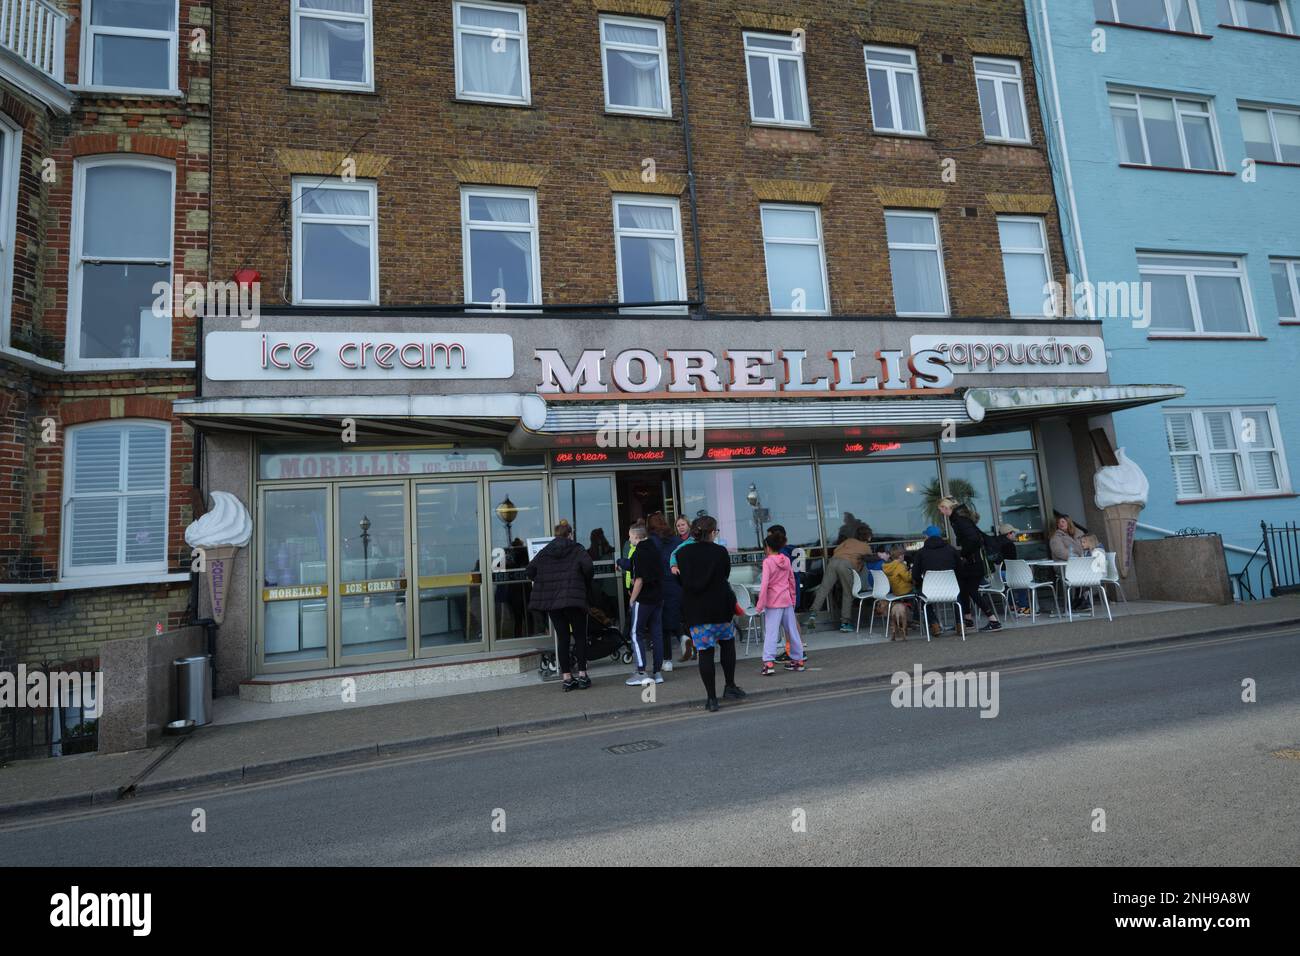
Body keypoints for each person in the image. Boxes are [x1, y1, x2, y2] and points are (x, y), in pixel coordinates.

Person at [675, 515, 747, 712]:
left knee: (705, 653)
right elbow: (725, 575)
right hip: (720, 608)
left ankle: (711, 698)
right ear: (712, 532)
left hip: (696, 611)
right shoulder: (720, 552)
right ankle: (730, 686)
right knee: (727, 646)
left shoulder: (682, 553)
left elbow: (682, 582)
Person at [526, 520, 595, 691]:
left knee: (563, 638)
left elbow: (529, 571)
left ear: (556, 535)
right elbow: (589, 568)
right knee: (579, 637)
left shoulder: (545, 551)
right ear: (570, 534)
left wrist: (545, 582)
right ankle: (582, 675)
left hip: (553, 603)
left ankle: (566, 678)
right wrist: (582, 582)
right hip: (574, 600)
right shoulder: (577, 549)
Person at [936, 497, 1002, 632]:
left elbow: (974, 540)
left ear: (947, 507)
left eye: (941, 508)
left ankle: (993, 620)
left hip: (975, 561)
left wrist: (963, 554)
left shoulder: (960, 520)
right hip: (973, 560)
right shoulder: (957, 519)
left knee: (971, 590)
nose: (941, 512)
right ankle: (967, 620)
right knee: (964, 589)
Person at [807, 524, 875, 633]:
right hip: (845, 565)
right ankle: (845, 623)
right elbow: (869, 559)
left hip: (833, 562)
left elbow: (836, 550)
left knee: (824, 588)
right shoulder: (866, 547)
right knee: (847, 593)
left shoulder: (848, 541)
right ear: (868, 537)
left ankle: (813, 615)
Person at [755, 532, 805, 676]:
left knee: (771, 632)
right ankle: (798, 660)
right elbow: (791, 581)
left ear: (767, 548)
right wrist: (793, 599)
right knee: (792, 631)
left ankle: (769, 663)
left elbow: (764, 585)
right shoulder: (786, 560)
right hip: (786, 600)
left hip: (773, 602)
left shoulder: (767, 562)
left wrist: (760, 605)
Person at [624, 523, 665, 685]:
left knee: (635, 633)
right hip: (658, 597)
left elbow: (639, 580)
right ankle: (658, 672)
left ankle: (641, 672)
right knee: (657, 634)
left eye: (629, 536)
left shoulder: (639, 552)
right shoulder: (655, 549)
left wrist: (632, 599)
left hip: (645, 598)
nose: (628, 539)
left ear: (636, 536)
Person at [909, 525, 961, 638]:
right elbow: (960, 569)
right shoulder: (951, 550)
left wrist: (921, 584)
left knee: (921, 597)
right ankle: (960, 623)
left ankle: (934, 624)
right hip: (951, 590)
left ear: (927, 537)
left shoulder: (921, 553)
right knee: (959, 595)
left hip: (930, 592)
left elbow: (915, 575)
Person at [646, 513, 680, 670]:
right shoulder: (675, 540)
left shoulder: (652, 542)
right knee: (677, 616)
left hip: (659, 585)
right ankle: (683, 637)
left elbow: (645, 562)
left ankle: (667, 660)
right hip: (676, 583)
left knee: (662, 624)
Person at [881, 546, 914, 641]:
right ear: (900, 556)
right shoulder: (900, 566)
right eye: (903, 554)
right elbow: (908, 578)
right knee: (918, 594)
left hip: (896, 591)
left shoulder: (889, 566)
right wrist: (911, 571)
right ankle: (914, 619)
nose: (904, 556)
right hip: (904, 590)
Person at [996, 523, 1031, 616]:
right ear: (1008, 534)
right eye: (1013, 533)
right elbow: (1012, 564)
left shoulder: (995, 543)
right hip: (1005, 574)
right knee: (1023, 579)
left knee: (1009, 583)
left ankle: (1012, 606)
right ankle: (1023, 607)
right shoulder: (1009, 545)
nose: (1015, 534)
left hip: (996, 576)